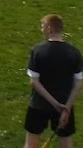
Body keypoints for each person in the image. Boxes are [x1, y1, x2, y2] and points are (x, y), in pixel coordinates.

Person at [22, 14, 83, 148]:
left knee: (31, 142)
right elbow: (78, 84)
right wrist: (66, 108)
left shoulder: (37, 50)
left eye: (42, 26)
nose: (41, 30)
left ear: (49, 29)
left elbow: (34, 82)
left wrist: (55, 104)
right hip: (65, 105)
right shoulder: (74, 52)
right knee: (66, 142)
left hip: (38, 104)